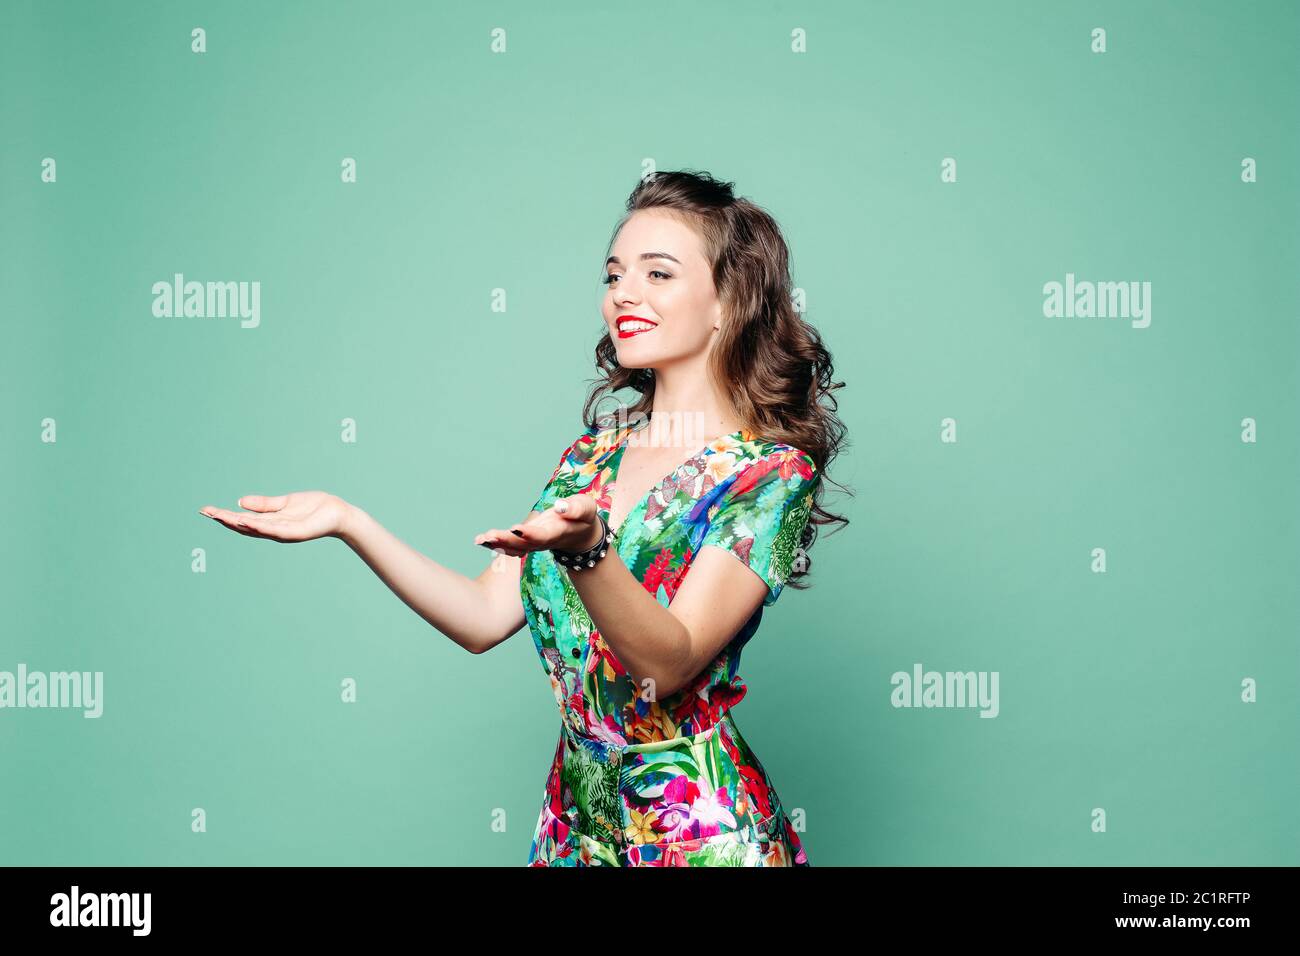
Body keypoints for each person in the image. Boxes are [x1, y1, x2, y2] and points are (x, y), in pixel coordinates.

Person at [199, 169, 848, 866]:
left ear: (727, 301)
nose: (623, 294)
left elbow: (673, 661)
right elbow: (482, 618)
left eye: (658, 274)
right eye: (614, 274)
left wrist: (588, 554)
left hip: (699, 835)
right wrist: (349, 522)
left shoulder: (770, 475)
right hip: (574, 827)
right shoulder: (592, 457)